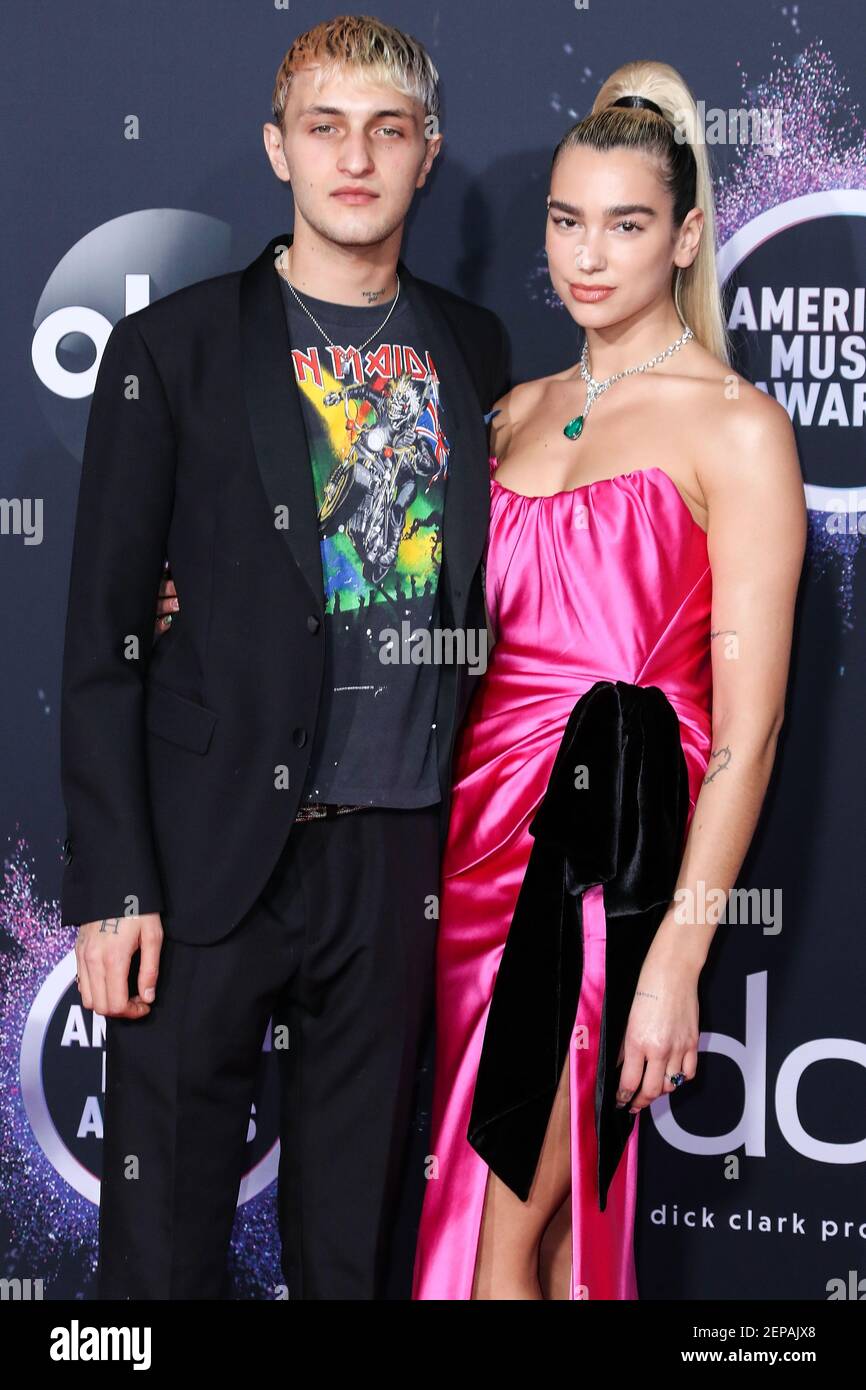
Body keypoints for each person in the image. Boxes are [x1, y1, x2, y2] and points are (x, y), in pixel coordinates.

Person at [60, 14, 508, 1300]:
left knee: (352, 1239)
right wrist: (112, 886)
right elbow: (102, 640)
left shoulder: (472, 350)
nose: (354, 158)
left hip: (393, 854)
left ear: (427, 153)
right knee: (158, 1250)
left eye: (386, 130)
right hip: (203, 858)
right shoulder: (175, 351)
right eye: (325, 128)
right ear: (278, 148)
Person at [411, 61, 806, 1300]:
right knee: (543, 1227)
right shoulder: (510, 410)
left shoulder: (734, 426)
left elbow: (748, 730)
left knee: (501, 1248)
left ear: (684, 235)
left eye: (626, 224)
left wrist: (678, 958)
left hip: (598, 870)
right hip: (464, 851)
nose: (589, 255)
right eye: (565, 220)